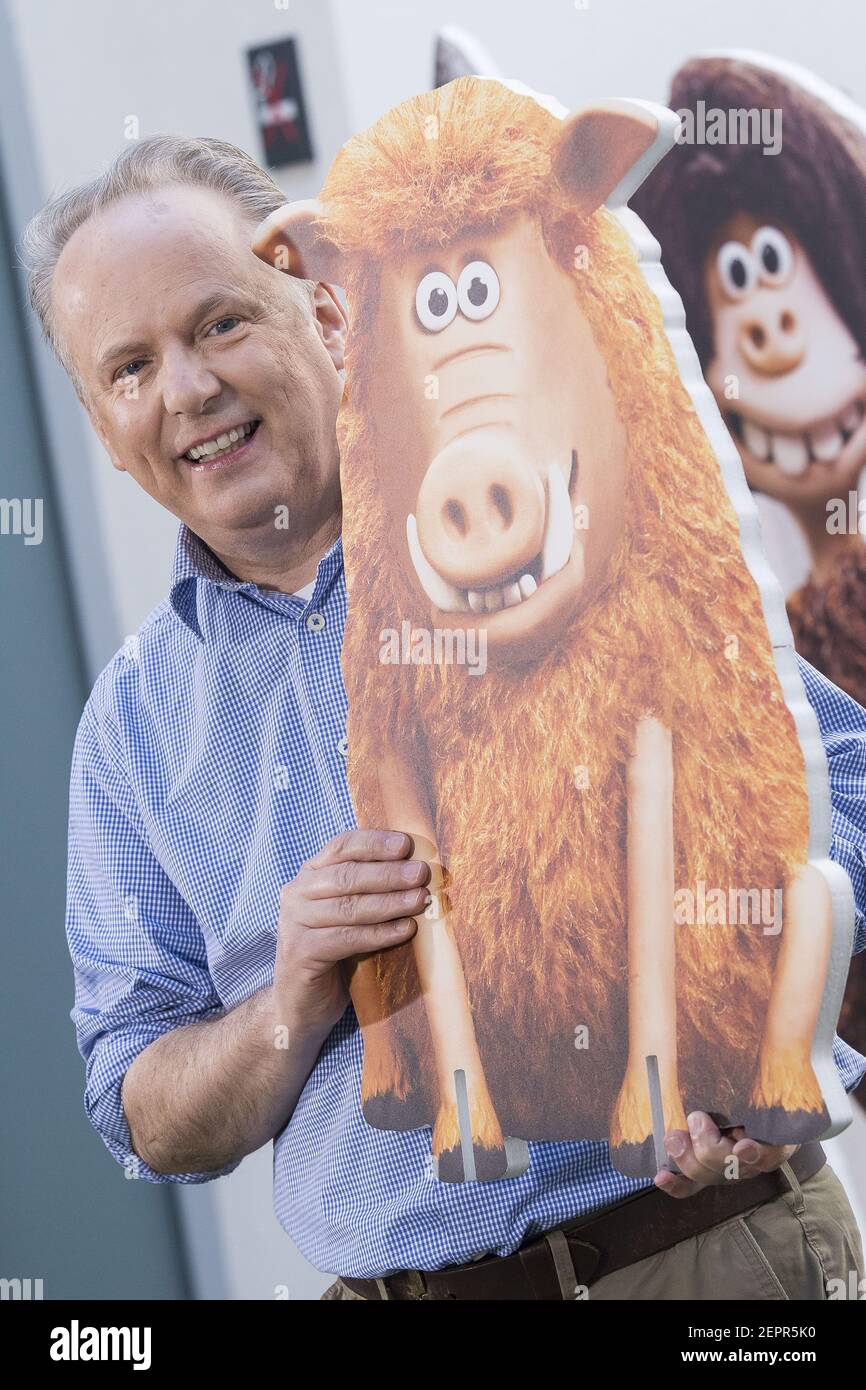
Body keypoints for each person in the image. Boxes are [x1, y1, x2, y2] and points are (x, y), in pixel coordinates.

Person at [22, 134, 865, 1301]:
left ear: (324, 310)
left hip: (699, 1260)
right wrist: (292, 994)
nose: (186, 390)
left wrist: (750, 1016)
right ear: (104, 431)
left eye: (219, 322)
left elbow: (840, 787)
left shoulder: (567, 513)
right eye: (129, 369)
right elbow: (143, 1106)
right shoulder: (129, 732)